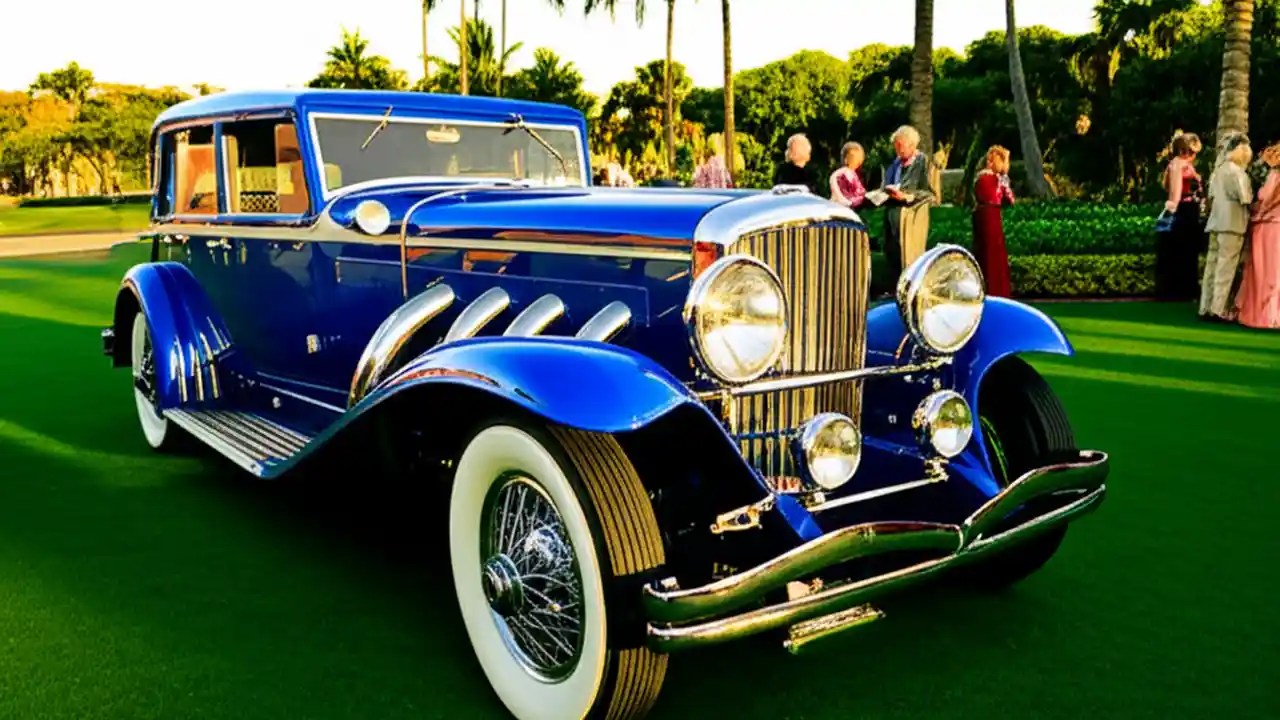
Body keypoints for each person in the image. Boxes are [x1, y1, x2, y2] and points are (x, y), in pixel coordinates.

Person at [1200, 132, 1253, 321]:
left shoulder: (1219, 170)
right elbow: (1245, 198)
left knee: (1212, 266)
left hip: (1216, 221)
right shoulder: (1237, 172)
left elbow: (1212, 195)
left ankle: (1205, 306)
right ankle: (1218, 309)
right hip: (1232, 224)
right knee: (1225, 267)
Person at [879, 125, 936, 278]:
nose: (897, 149)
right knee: (893, 256)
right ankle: (894, 289)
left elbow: (931, 193)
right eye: (895, 146)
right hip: (892, 218)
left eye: (900, 145)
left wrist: (907, 197)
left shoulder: (923, 162)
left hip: (911, 220)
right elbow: (886, 185)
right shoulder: (895, 164)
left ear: (912, 144)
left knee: (910, 259)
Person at [1234, 143, 1280, 329]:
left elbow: (1266, 198)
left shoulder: (1275, 176)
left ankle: (1266, 314)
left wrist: (1257, 209)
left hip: (1269, 226)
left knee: (1265, 271)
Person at [1156, 132, 1205, 300]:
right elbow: (1175, 191)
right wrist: (1172, 209)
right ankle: (1181, 290)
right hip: (1184, 211)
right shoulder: (1179, 164)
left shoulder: (1178, 164)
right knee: (1183, 250)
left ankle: (1182, 289)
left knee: (1185, 251)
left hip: (1187, 209)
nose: (1193, 155)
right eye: (1191, 151)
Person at [972, 145, 1016, 297]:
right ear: (990, 162)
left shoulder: (998, 179)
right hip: (987, 217)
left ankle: (999, 290)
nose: (1002, 165)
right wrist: (1003, 176)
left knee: (996, 254)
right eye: (1000, 161)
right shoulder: (985, 178)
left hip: (994, 217)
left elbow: (1010, 199)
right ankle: (991, 289)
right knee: (988, 254)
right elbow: (995, 196)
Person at [829, 141, 867, 208]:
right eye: (856, 159)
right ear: (846, 159)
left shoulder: (841, 173)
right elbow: (857, 190)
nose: (859, 162)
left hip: (840, 203)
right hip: (848, 203)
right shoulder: (846, 173)